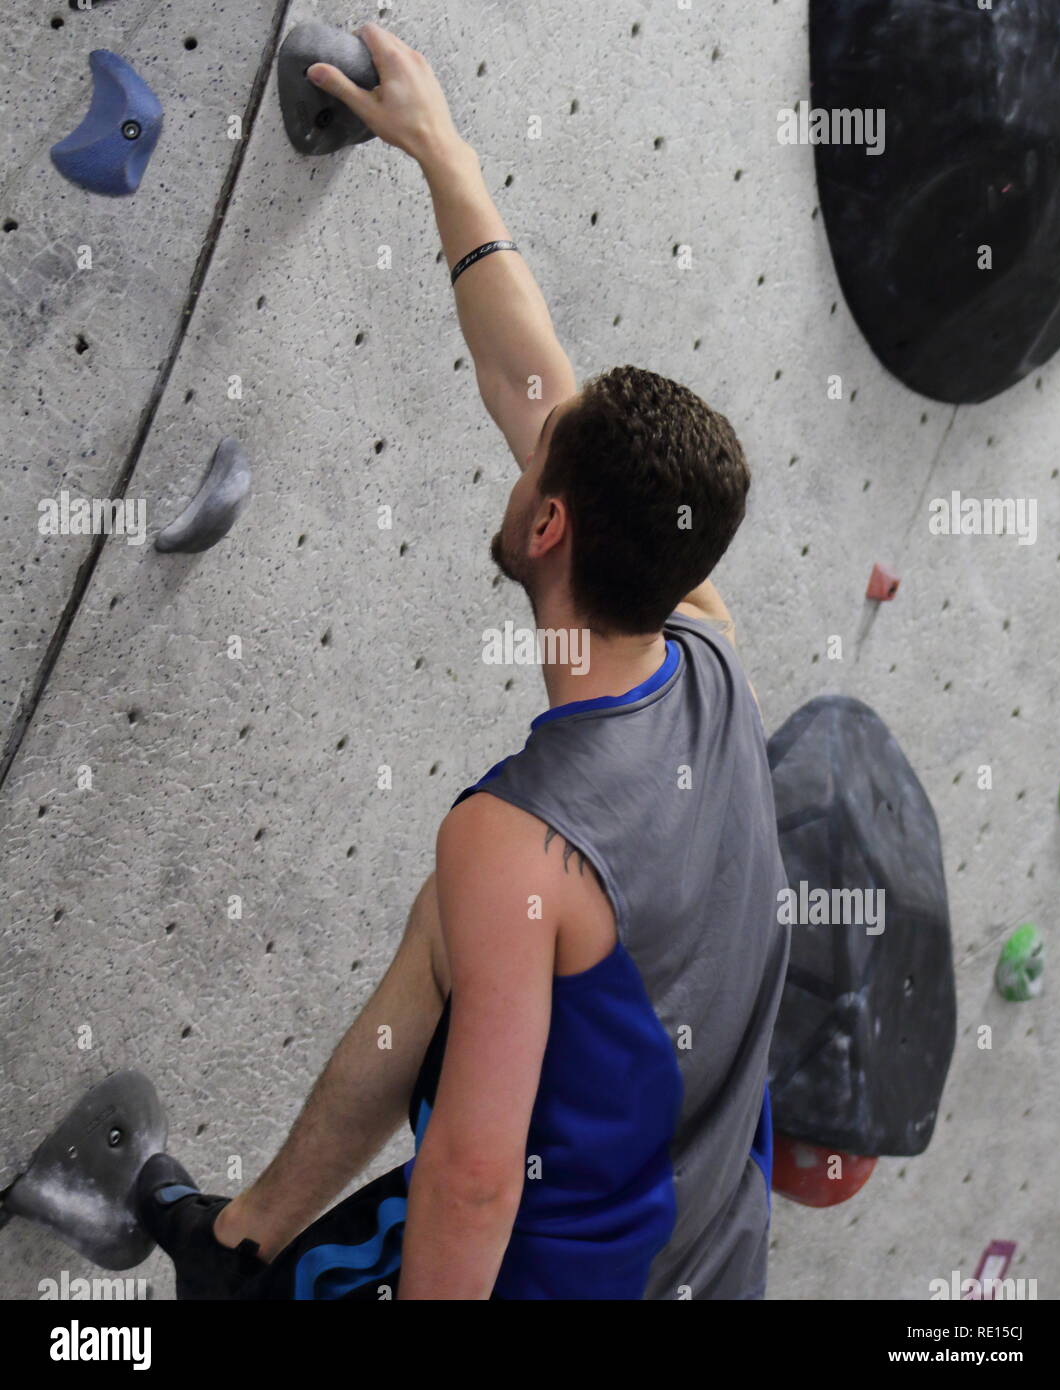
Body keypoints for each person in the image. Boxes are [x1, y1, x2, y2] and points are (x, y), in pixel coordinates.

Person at [139, 20, 790, 1301]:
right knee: (461, 939)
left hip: (559, 1277)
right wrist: (443, 155)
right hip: (705, 1246)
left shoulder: (518, 838)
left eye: (537, 460)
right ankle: (239, 1239)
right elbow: (528, 376)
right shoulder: (707, 650)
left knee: (484, 924)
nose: (525, 438)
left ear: (543, 525)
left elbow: (477, 1185)